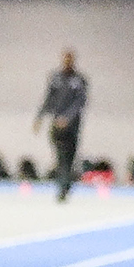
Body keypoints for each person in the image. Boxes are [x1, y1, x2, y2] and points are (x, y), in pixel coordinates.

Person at [33, 50, 90, 202]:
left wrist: (68, 118)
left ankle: (66, 185)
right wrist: (40, 117)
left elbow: (80, 102)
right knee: (60, 157)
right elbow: (48, 99)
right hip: (56, 124)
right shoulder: (55, 78)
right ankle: (62, 187)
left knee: (69, 157)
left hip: (72, 126)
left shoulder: (79, 80)